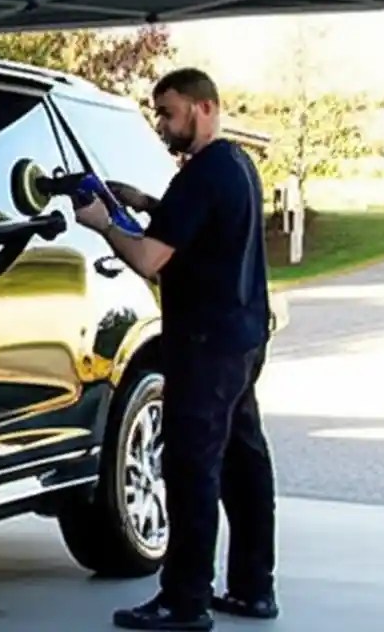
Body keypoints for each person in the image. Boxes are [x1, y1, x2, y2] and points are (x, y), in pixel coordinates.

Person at [73, 68, 279, 631]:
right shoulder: (235, 165)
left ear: (204, 107)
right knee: (244, 463)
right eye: (158, 114)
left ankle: (183, 601)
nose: (161, 125)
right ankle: (253, 588)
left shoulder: (203, 175)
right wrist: (140, 202)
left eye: (169, 112)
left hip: (205, 346)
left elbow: (146, 259)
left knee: (192, 470)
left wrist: (100, 224)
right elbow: (193, 226)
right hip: (242, 339)